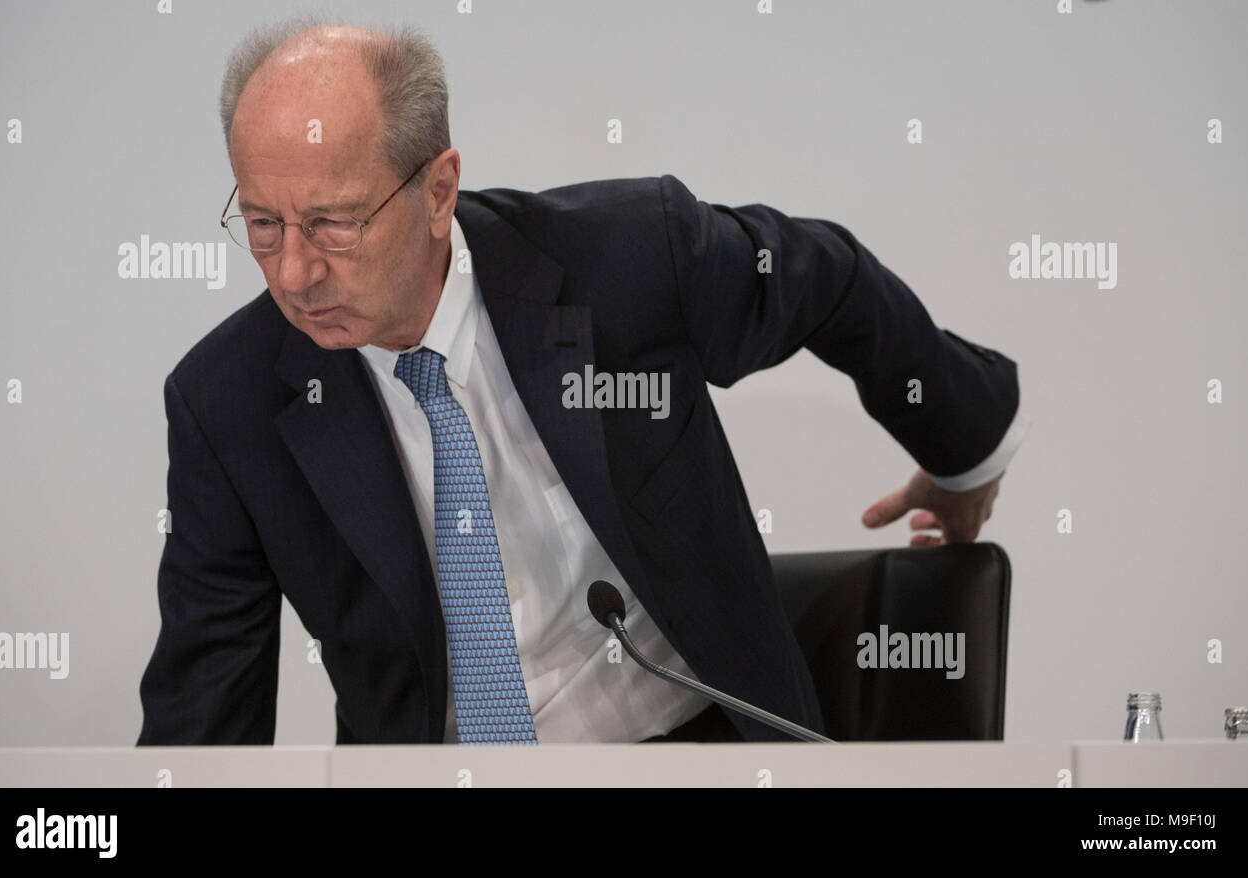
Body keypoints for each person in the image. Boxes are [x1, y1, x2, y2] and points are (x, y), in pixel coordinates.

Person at [136, 20, 1028, 746]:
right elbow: (203, 715)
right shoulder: (230, 402)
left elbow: (827, 281)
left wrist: (963, 452)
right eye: (260, 223)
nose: (292, 274)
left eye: (331, 224)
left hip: (693, 748)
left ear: (438, 189)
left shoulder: (627, 259)